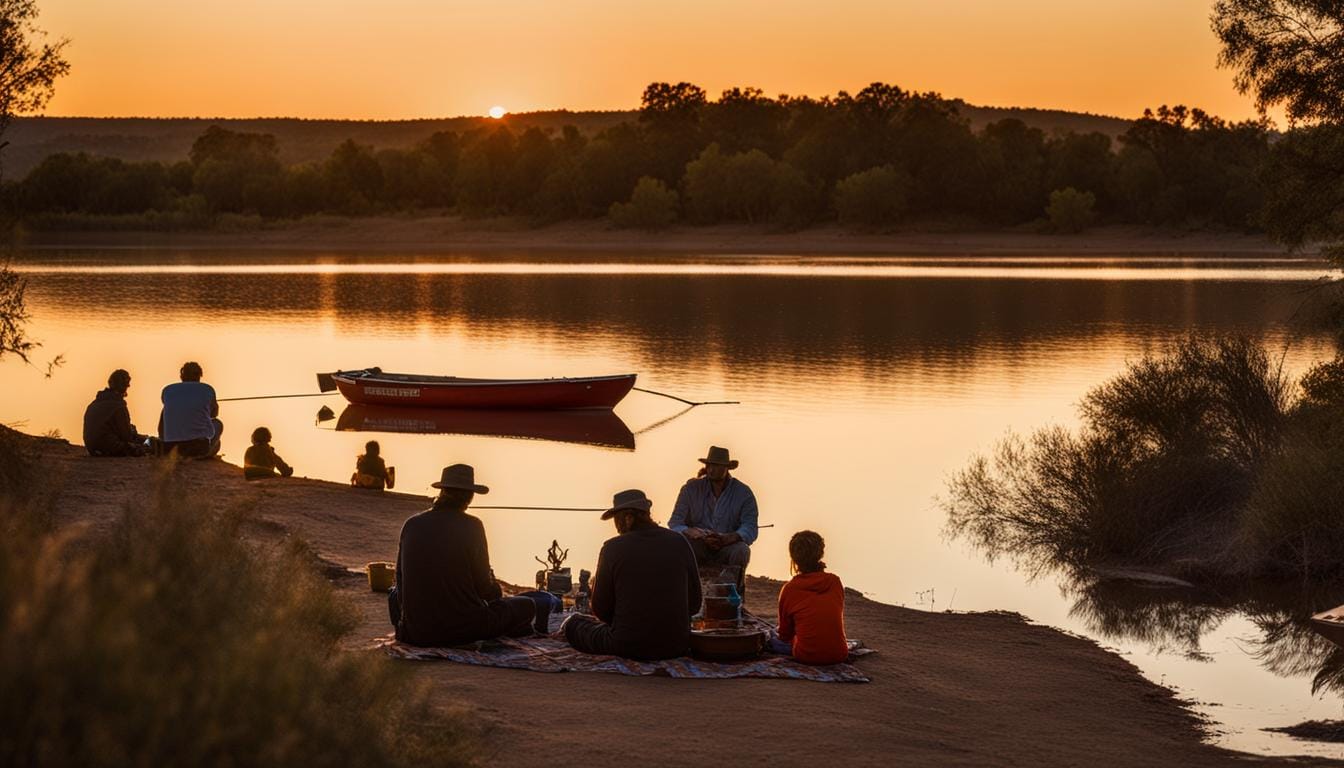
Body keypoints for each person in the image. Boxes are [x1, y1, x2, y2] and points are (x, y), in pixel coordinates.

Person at [388, 464, 535, 646]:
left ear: (442, 491)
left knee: (393, 595)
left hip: (416, 633)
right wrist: (497, 590)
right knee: (526, 605)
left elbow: (400, 580)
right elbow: (484, 589)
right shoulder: (473, 526)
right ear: (470, 496)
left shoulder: (411, 524)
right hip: (463, 630)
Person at [563, 489, 702, 660]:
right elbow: (695, 604)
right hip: (676, 645)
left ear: (628, 518)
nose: (617, 527)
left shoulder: (612, 548)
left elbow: (600, 609)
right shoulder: (679, 541)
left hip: (627, 645)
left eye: (617, 520)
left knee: (574, 624)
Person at [667, 445, 759, 592]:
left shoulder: (743, 493)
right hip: (698, 544)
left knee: (742, 550)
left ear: (727, 468)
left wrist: (730, 537)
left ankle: (733, 595)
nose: (711, 469)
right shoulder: (690, 489)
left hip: (727, 546)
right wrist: (690, 532)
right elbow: (675, 523)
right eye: (709, 465)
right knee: (679, 546)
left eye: (716, 466)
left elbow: (750, 528)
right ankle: (685, 592)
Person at [773, 530, 849, 666]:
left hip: (806, 655)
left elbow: (784, 635)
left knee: (771, 639)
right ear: (821, 554)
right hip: (840, 654)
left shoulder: (790, 589)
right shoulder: (835, 582)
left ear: (793, 557)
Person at [158, 361, 223, 458]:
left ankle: (165, 441)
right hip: (198, 447)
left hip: (170, 446)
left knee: (165, 411)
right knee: (217, 424)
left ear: (182, 376)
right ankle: (205, 454)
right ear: (199, 376)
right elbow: (214, 414)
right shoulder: (207, 389)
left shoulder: (168, 390)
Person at [82, 369, 147, 457]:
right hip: (109, 447)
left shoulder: (96, 402)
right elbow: (127, 436)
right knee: (147, 445)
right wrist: (134, 431)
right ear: (124, 385)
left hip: (91, 448)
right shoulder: (118, 405)